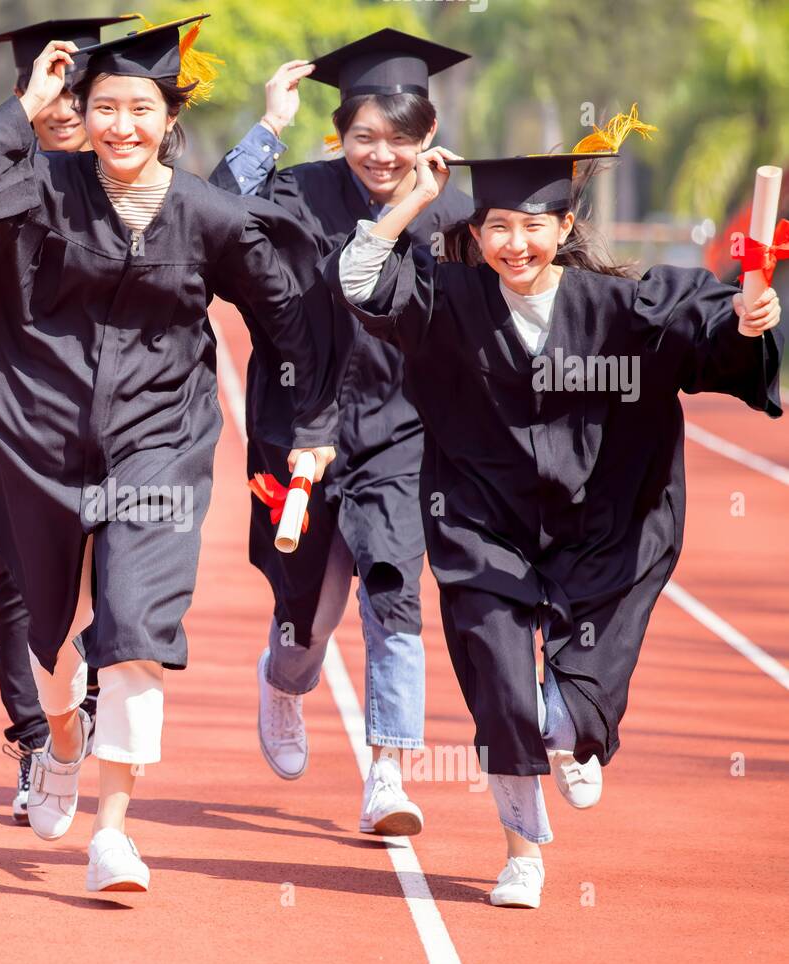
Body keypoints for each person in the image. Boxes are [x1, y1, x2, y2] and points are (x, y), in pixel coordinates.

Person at [0, 15, 337, 892]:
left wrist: (310, 429)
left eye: (140, 109)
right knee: (50, 633)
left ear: (169, 117)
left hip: (160, 438)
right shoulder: (42, 185)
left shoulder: (211, 216)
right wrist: (20, 105)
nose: (121, 126)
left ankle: (113, 831)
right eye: (104, 106)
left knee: (134, 622)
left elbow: (288, 324)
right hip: (39, 435)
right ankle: (59, 746)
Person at [329, 128, 783, 907]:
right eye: (498, 225)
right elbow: (361, 280)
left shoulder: (624, 305)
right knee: (503, 691)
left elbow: (713, 338)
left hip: (605, 525)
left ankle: (577, 738)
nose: (516, 242)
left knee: (564, 717)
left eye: (534, 224)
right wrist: (411, 200)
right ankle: (521, 853)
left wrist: (748, 321)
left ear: (565, 228)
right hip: (483, 523)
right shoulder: (447, 300)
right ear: (476, 232)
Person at [209, 29, 471, 837]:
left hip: (400, 428)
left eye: (398, 139)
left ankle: (387, 773)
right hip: (298, 424)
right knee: (308, 615)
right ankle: (285, 681)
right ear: (341, 134)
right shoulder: (300, 191)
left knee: (394, 593)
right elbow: (216, 217)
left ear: (427, 137)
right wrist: (269, 126)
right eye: (363, 137)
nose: (380, 155)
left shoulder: (453, 211)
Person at [0, 19, 139, 825]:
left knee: (112, 572)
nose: (61, 110)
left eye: (74, 95)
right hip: (7, 407)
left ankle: (86, 709)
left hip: (111, 410)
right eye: (46, 93)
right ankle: (35, 738)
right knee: (14, 574)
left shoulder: (123, 173)